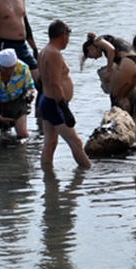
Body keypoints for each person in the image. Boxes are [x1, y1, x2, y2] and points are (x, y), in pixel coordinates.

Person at [39, 20, 92, 169]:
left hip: (47, 101)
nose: (68, 39)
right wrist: (66, 110)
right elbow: (55, 84)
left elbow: (41, 80)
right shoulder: (54, 54)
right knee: (76, 142)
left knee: (50, 143)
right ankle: (89, 173)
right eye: (68, 35)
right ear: (63, 35)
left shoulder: (44, 51)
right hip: (55, 104)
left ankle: (49, 182)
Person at [0, 48, 35, 143]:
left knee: (23, 135)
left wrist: (30, 94)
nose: (9, 72)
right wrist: (1, 119)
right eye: (5, 69)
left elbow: (30, 87)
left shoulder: (23, 68)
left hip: (15, 100)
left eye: (12, 68)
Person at [80, 33, 136, 110]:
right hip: (134, 61)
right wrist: (82, 63)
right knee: (124, 93)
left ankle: (116, 115)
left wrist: (109, 70)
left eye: (91, 56)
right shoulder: (103, 44)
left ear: (90, 48)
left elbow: (111, 50)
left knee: (114, 95)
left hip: (128, 61)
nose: (95, 58)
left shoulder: (98, 41)